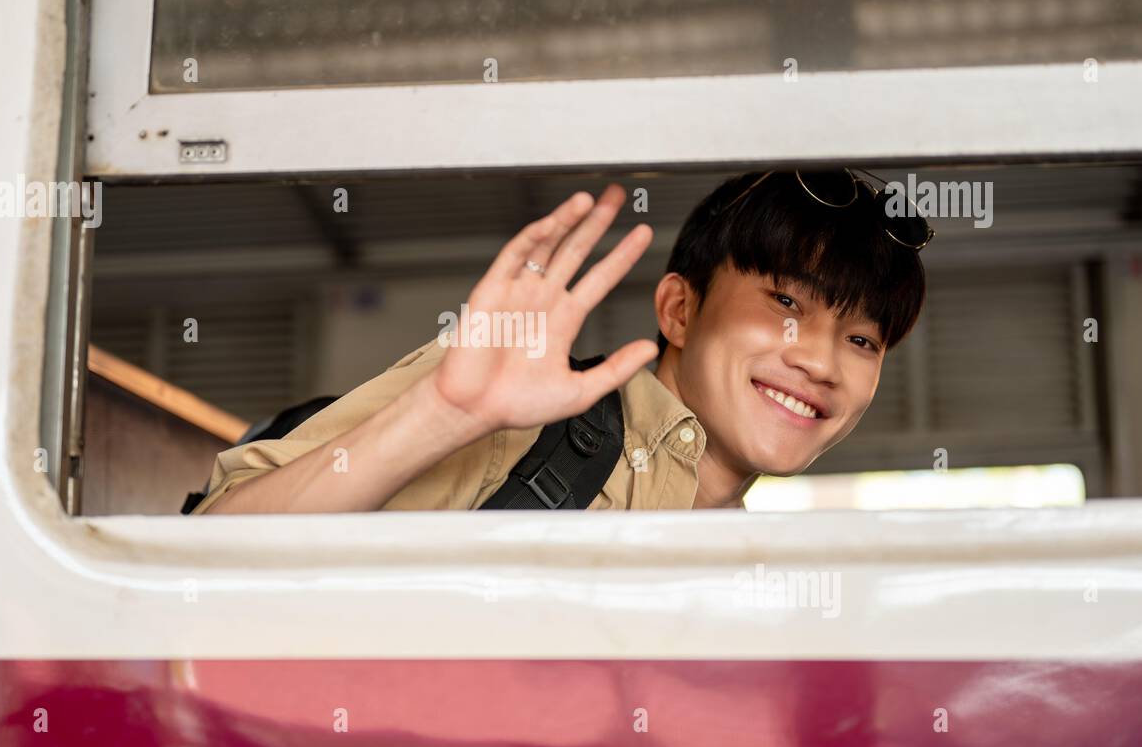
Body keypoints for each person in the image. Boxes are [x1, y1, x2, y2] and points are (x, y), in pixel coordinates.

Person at [192, 170, 929, 514]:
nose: (820, 362)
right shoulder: (512, 415)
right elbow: (206, 555)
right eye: (786, 302)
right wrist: (445, 415)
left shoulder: (748, 573)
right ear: (678, 309)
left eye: (863, 339)